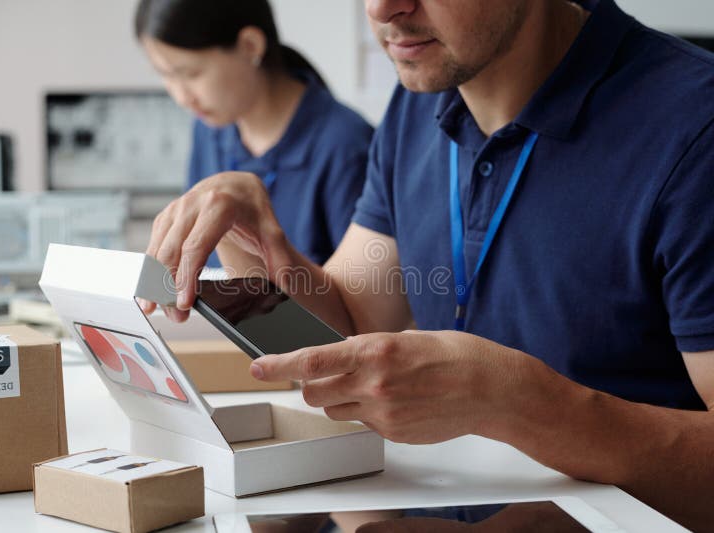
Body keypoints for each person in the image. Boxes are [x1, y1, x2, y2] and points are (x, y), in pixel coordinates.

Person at [142, 0, 714, 530]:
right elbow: (352, 324)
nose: (382, 9)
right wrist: (251, 246)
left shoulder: (694, 126)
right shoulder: (421, 99)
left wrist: (518, 402)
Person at [135, 0, 374, 271]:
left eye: (191, 74)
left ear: (250, 46)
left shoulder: (347, 146)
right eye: (165, 76)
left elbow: (358, 301)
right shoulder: (210, 128)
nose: (180, 97)